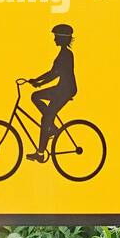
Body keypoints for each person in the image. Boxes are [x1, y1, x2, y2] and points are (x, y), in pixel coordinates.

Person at [26, 23, 77, 162]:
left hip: (65, 90)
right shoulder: (63, 53)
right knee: (39, 102)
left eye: (56, 37)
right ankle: (51, 130)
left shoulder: (66, 55)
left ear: (61, 38)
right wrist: (36, 80)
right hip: (62, 89)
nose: (54, 39)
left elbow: (55, 74)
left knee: (45, 118)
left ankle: (41, 151)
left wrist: (40, 83)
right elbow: (52, 72)